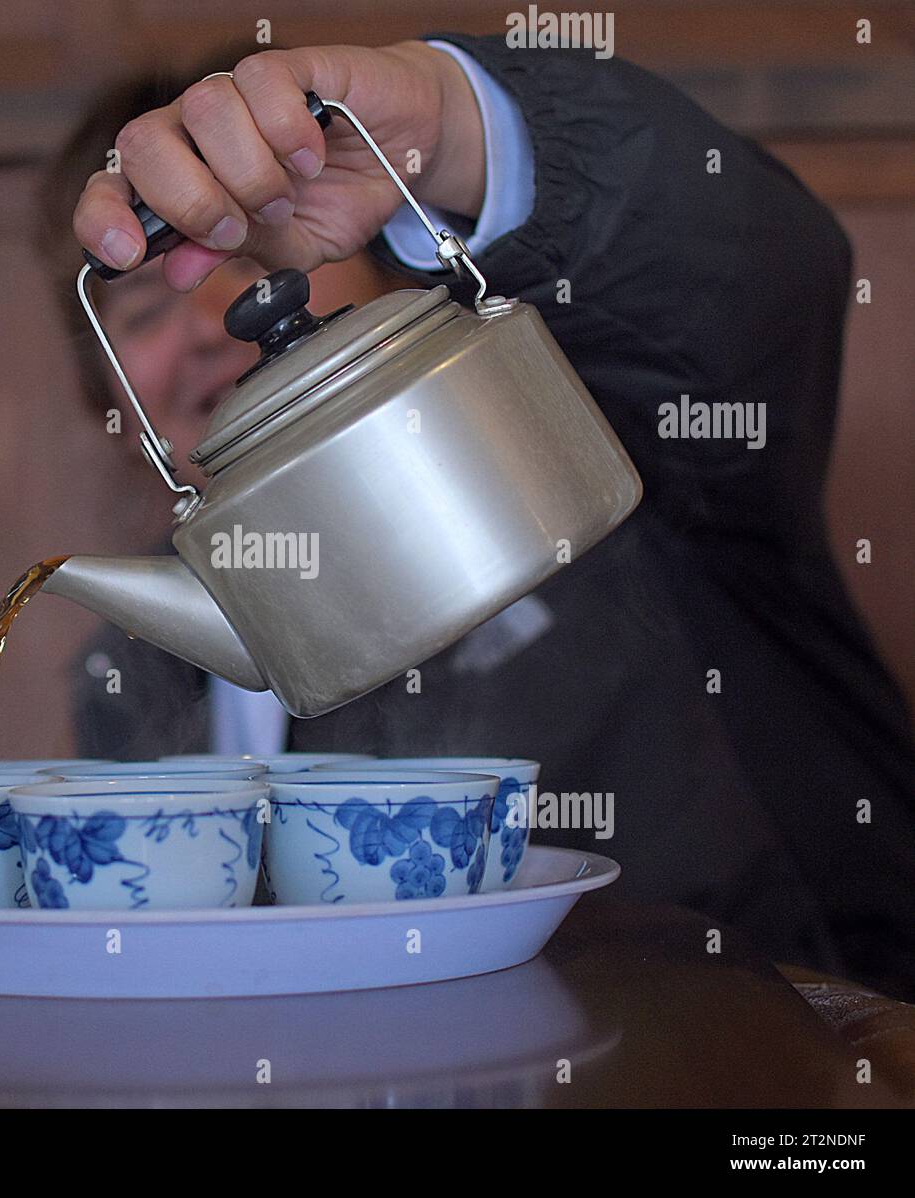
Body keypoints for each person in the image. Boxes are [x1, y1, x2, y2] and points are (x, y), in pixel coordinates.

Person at [47, 35, 915, 997]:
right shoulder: (132, 674)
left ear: (393, 269)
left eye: (256, 260)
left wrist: (458, 130)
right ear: (118, 407)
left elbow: (766, 280)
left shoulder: (596, 448)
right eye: (142, 314)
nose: (214, 323)